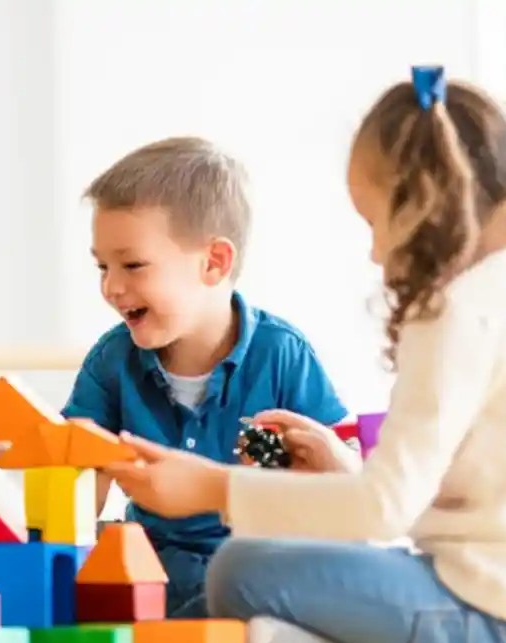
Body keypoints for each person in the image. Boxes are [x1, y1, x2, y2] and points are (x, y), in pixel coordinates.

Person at [106, 68, 506, 643]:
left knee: (238, 568)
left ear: (424, 205)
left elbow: (382, 512)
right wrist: (345, 474)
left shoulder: (458, 309)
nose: (375, 253)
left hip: (496, 627)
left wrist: (212, 488)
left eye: (375, 222)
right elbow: (454, 505)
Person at [61, 137, 347, 618]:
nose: (111, 286)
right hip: (150, 565)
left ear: (214, 262)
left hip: (257, 566)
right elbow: (74, 478)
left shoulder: (282, 355)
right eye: (102, 266)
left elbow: (338, 481)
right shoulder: (112, 361)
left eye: (132, 265)